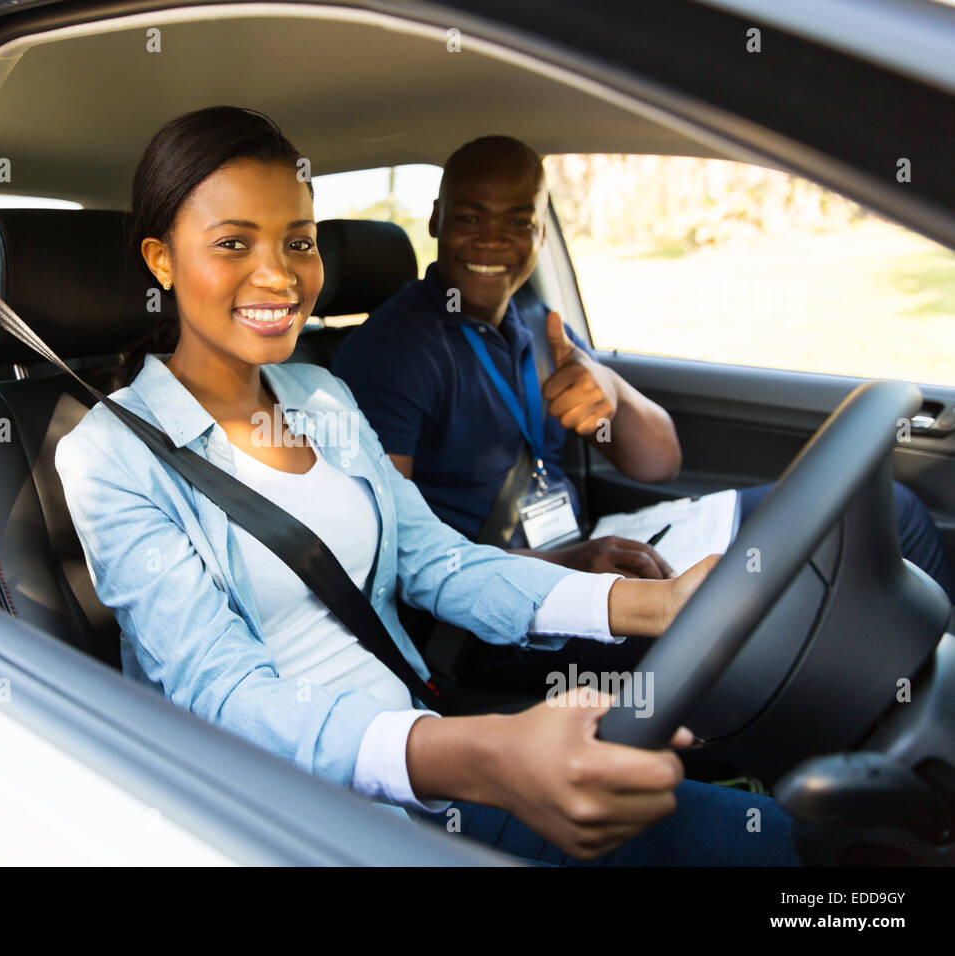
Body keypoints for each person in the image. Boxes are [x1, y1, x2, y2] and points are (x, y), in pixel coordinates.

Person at [55, 105, 800, 864]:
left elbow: (437, 562)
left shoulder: (319, 396)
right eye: (232, 243)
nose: (279, 274)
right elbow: (223, 698)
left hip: (424, 759)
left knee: (777, 848)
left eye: (299, 242)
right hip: (286, 816)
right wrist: (488, 755)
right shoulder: (110, 456)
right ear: (162, 261)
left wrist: (655, 603)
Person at [329, 135, 955, 689]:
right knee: (755, 620)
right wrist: (567, 566)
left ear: (543, 230)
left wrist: (612, 389)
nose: (494, 239)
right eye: (471, 216)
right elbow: (396, 559)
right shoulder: (392, 351)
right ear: (437, 219)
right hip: (493, 615)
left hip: (585, 552)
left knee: (883, 511)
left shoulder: (537, 328)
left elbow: (658, 463)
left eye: (518, 220)